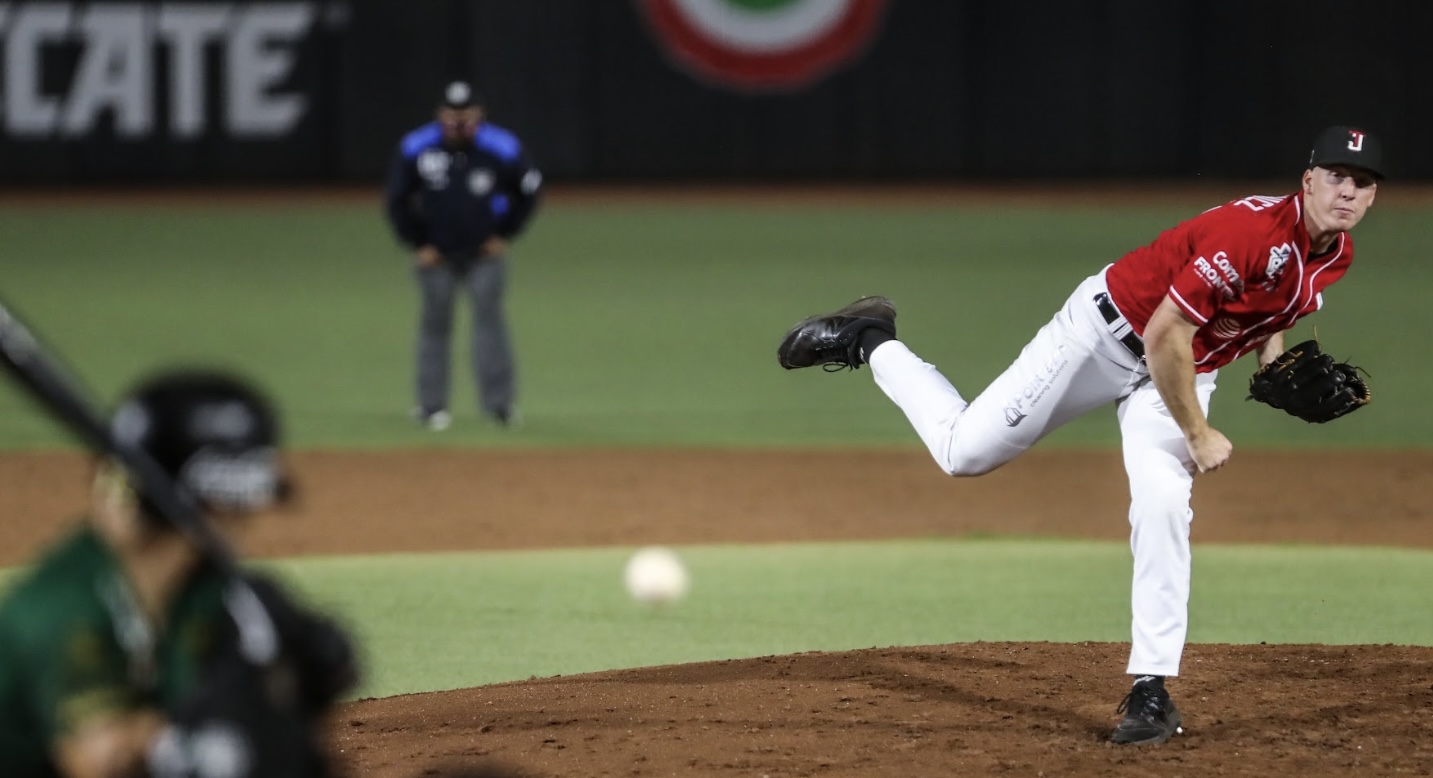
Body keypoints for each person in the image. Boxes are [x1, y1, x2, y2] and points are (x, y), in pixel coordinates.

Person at [775, 125, 1382, 745]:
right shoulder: (1248, 234)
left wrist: (1268, 364)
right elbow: (1163, 334)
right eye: (1336, 175)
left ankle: (1152, 689)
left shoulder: (1335, 255)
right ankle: (870, 337)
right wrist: (1197, 434)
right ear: (1307, 180)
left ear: (1371, 197)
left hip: (1182, 369)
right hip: (1104, 340)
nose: (1348, 190)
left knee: (1164, 500)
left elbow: (1271, 310)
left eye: (1362, 182)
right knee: (963, 453)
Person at [0, 369, 358, 777]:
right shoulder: (62, 605)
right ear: (225, 501)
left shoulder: (211, 593)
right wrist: (212, 743)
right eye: (239, 508)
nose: (245, 521)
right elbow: (99, 760)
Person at [384, 80, 543, 431]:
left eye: (466, 115)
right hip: (435, 256)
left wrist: (504, 234)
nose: (458, 122)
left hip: (484, 256)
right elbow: (396, 199)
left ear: (479, 115)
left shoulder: (502, 146)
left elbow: (529, 192)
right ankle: (431, 407)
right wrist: (417, 243)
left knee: (490, 324)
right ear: (440, 115)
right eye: (452, 114)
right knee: (434, 328)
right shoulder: (416, 147)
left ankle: (499, 406)